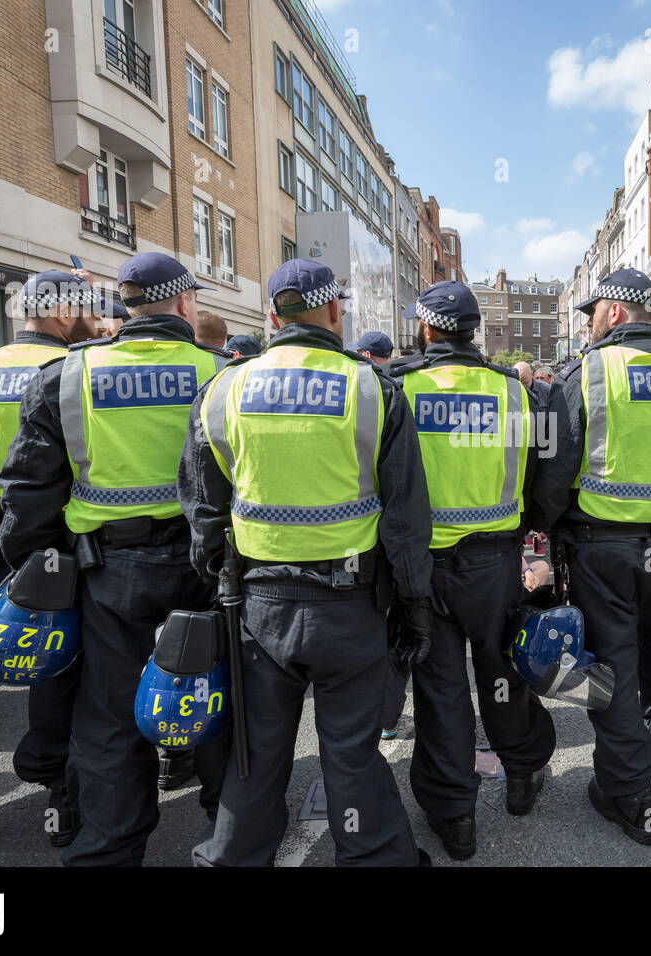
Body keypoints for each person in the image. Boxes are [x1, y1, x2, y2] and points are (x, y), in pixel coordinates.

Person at [180, 259, 432, 867]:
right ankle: (373, 858)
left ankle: (235, 857)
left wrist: (220, 576)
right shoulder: (373, 390)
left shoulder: (223, 391)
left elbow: (203, 509)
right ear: (335, 311)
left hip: (258, 606)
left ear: (271, 316)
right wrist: (415, 605)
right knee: (350, 749)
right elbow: (404, 520)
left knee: (257, 748)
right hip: (351, 604)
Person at [0, 252, 231, 866]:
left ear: (124, 307)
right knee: (216, 699)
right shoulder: (223, 371)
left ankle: (108, 851)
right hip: (205, 568)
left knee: (106, 719)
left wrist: (42, 571)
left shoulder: (65, 376)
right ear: (184, 304)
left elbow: (28, 492)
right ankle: (231, 838)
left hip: (108, 572)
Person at [530, 267, 651, 845]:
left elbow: (555, 469)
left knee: (611, 668)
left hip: (602, 547)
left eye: (592, 312)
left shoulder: (589, 372)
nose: (588, 322)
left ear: (614, 312)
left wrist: (545, 525)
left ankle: (627, 791)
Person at [385, 281, 556, 860]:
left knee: (441, 692)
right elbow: (543, 473)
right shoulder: (512, 394)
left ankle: (454, 815)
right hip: (494, 562)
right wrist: (529, 527)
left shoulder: (396, 388)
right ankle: (523, 773)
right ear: (473, 332)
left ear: (427, 329)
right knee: (503, 672)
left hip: (421, 569)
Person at [0, 269, 100, 844]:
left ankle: (56, 780)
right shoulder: (72, 371)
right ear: (62, 313)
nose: (99, 319)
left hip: (10, 537)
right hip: (79, 529)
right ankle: (89, 781)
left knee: (47, 654)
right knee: (97, 657)